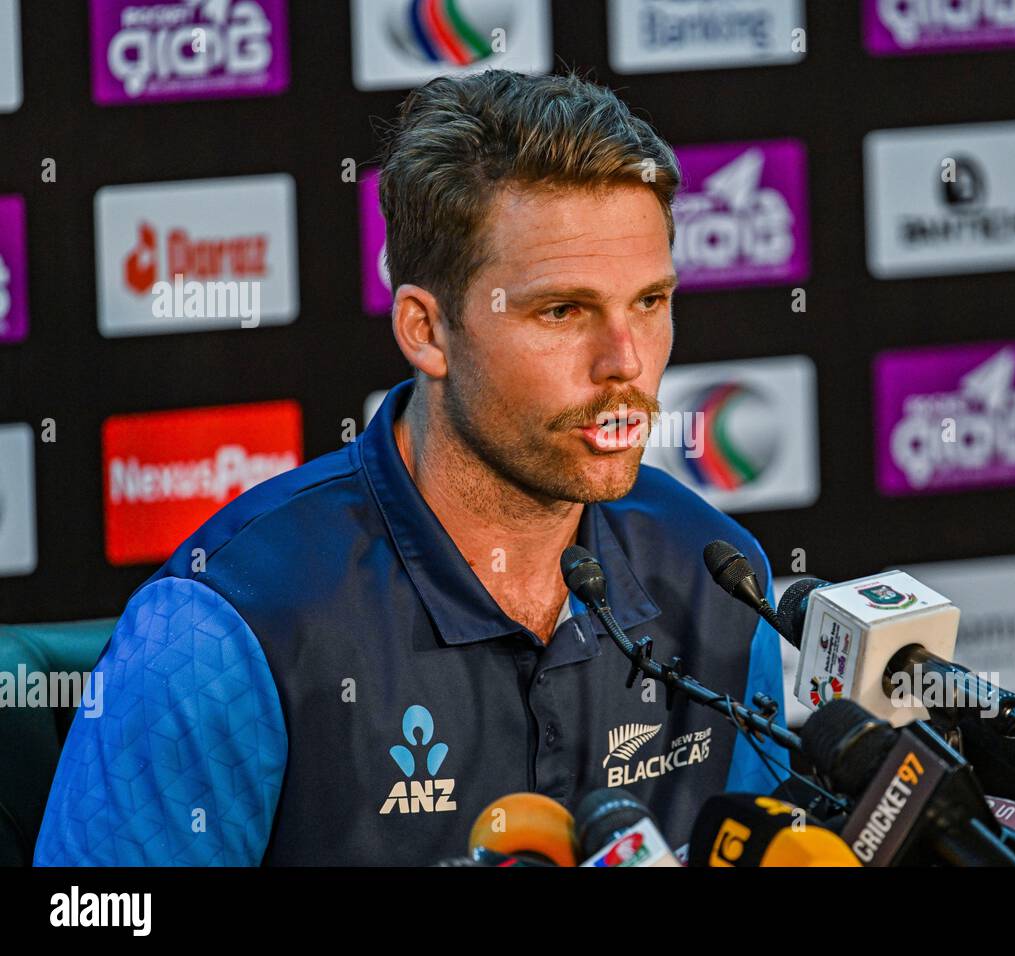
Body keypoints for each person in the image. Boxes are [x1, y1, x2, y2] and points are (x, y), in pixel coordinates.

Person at [35, 69, 788, 865]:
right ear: (426, 331)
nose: (625, 364)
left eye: (648, 302)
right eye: (562, 311)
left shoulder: (720, 580)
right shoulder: (219, 630)